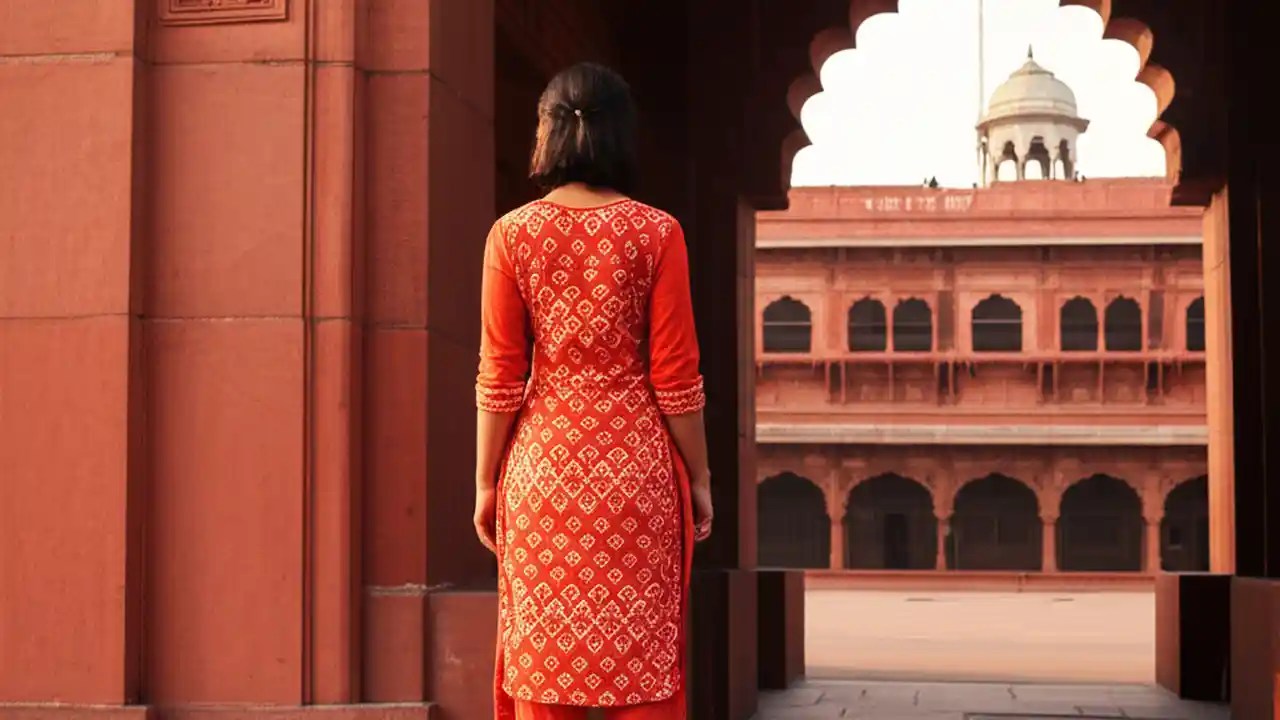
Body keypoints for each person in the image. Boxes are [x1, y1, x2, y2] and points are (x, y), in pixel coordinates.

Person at [473, 62, 714, 720]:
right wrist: (699, 476)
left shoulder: (512, 235)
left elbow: (499, 379)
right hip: (635, 477)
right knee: (644, 678)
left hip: (542, 474)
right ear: (622, 135)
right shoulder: (657, 233)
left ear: (547, 134)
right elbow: (676, 378)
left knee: (544, 672)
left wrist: (487, 483)